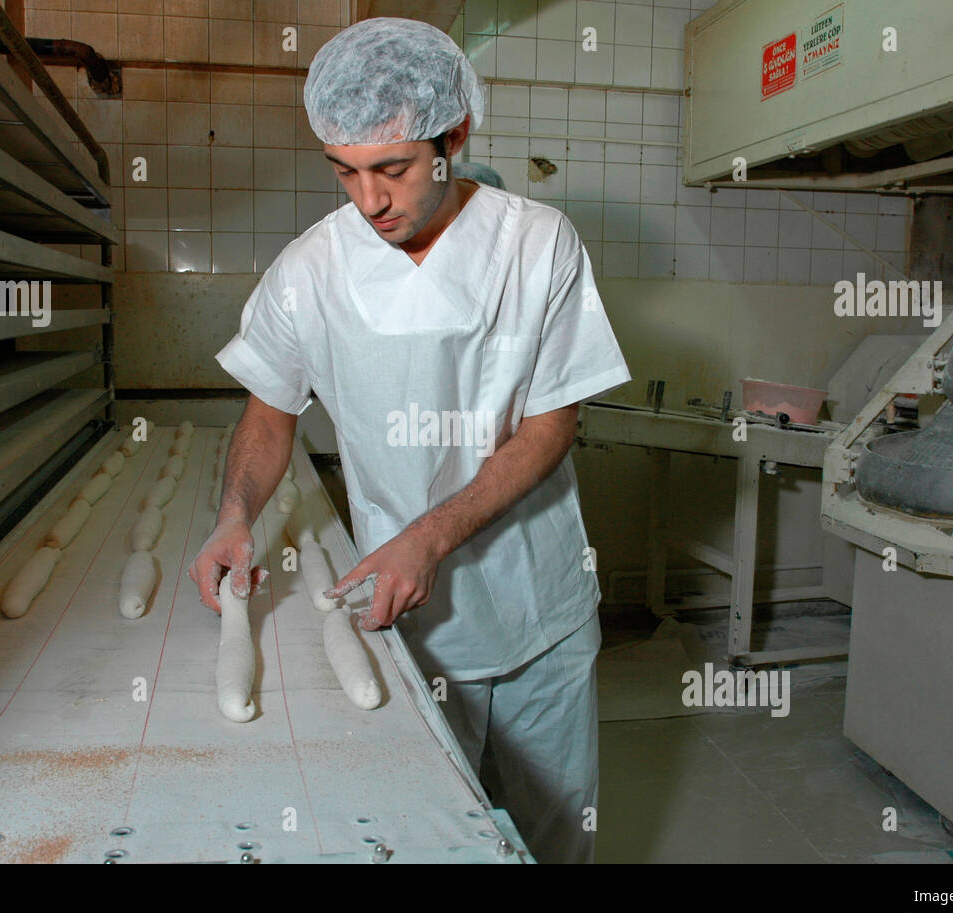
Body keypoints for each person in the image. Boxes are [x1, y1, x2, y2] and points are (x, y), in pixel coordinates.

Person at [190, 17, 630, 864]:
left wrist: (428, 537)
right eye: (346, 172)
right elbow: (269, 413)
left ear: (454, 137)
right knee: (436, 842)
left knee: (559, 836)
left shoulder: (538, 247)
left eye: (391, 169)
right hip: (411, 625)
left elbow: (551, 425)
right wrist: (235, 511)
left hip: (539, 608)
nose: (369, 199)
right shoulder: (310, 271)